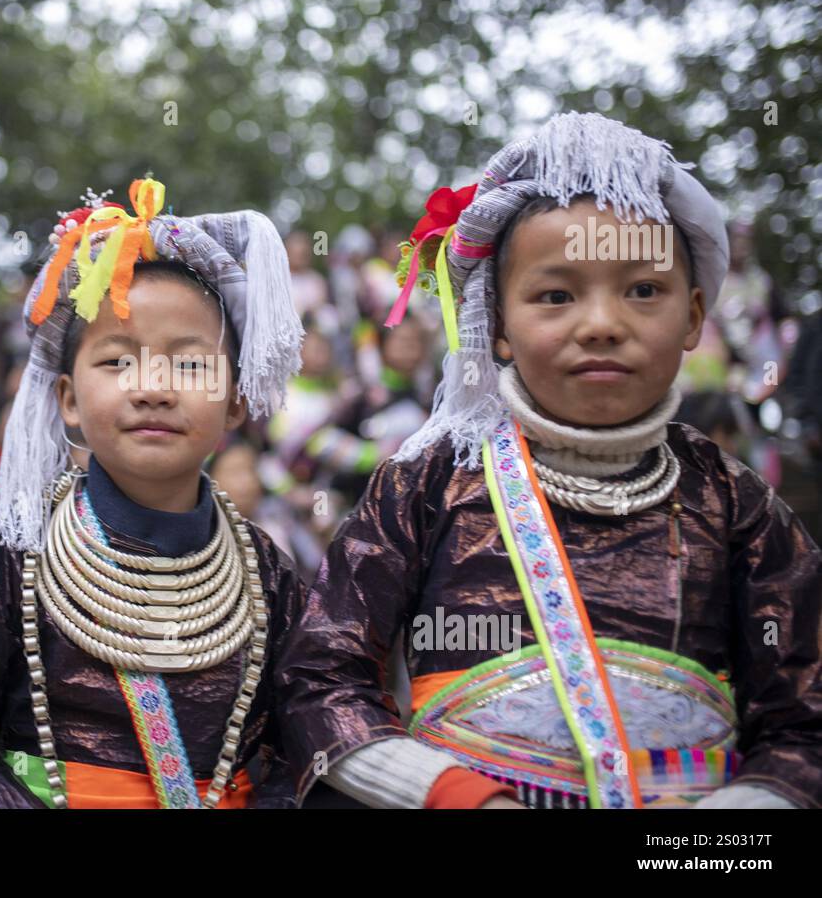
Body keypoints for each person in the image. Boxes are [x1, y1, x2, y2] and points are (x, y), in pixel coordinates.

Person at [280, 112, 822, 809]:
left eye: (643, 291)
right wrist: (454, 796)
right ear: (498, 327)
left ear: (693, 317)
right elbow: (319, 681)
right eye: (557, 295)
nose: (601, 322)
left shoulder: (738, 503)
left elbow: (804, 722)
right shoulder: (430, 484)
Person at [0, 178, 308, 808]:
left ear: (235, 403)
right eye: (117, 361)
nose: (153, 387)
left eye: (191, 364)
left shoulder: (267, 576)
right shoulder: (12, 556)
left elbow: (303, 745)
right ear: (68, 400)